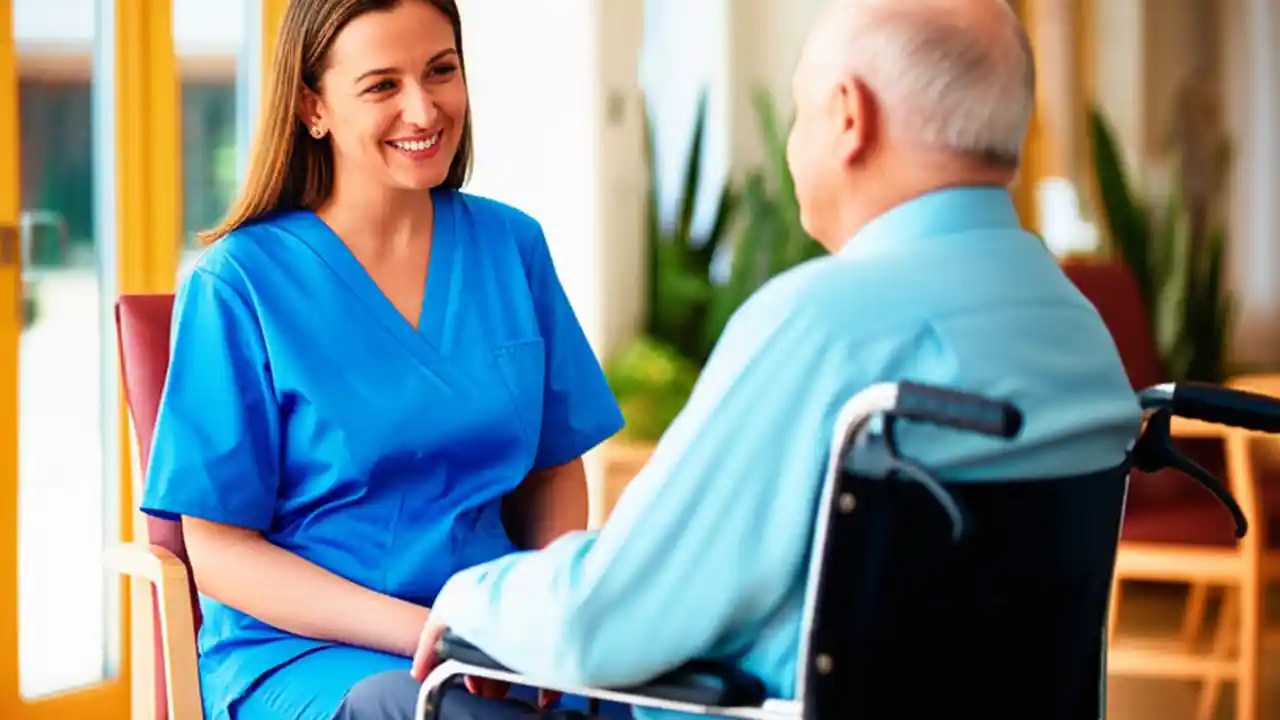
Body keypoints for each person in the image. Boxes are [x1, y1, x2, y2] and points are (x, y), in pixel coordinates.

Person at [407, 0, 1145, 718]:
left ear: (849, 117)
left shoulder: (831, 324)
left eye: (801, 111)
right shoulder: (1078, 328)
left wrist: (470, 594)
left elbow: (609, 619)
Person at [139, 0, 623, 718]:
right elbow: (219, 552)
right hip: (310, 655)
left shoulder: (512, 248)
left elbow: (553, 469)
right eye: (381, 86)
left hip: (495, 642)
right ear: (313, 107)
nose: (423, 110)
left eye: (441, 71)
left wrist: (544, 611)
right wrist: (428, 633)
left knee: (656, 701)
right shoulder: (239, 281)